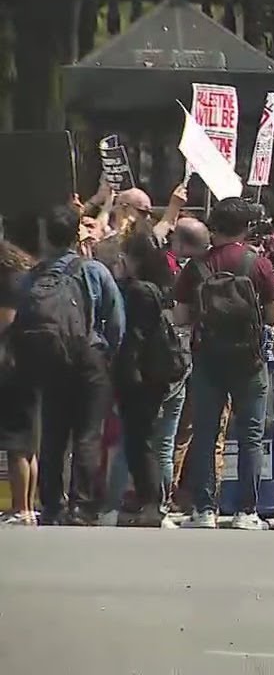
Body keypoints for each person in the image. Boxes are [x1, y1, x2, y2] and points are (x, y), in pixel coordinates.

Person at [174, 197, 274, 530]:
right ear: (246, 227)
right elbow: (273, 316)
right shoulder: (258, 264)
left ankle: (204, 509)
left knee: (207, 433)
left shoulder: (196, 267)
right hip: (249, 361)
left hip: (208, 359)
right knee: (251, 435)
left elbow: (181, 316)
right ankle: (246, 512)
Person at [19, 205, 125, 525]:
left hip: (50, 359)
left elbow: (24, 318)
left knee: (52, 433)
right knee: (88, 434)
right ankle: (82, 505)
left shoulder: (34, 275)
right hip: (89, 357)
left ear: (45, 235)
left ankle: (51, 504)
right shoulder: (93, 270)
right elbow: (116, 318)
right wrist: (108, 352)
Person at [102, 223, 189, 528]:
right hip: (158, 374)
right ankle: (152, 502)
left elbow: (133, 337)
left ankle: (151, 502)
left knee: (141, 442)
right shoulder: (159, 288)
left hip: (140, 376)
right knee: (153, 441)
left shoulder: (138, 291)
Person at [0, 241, 39, 525]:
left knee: (15, 441)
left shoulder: (8, 283)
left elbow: (5, 321)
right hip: (29, 361)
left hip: (10, 364)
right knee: (27, 443)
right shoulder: (26, 275)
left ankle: (20, 508)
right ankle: (27, 506)